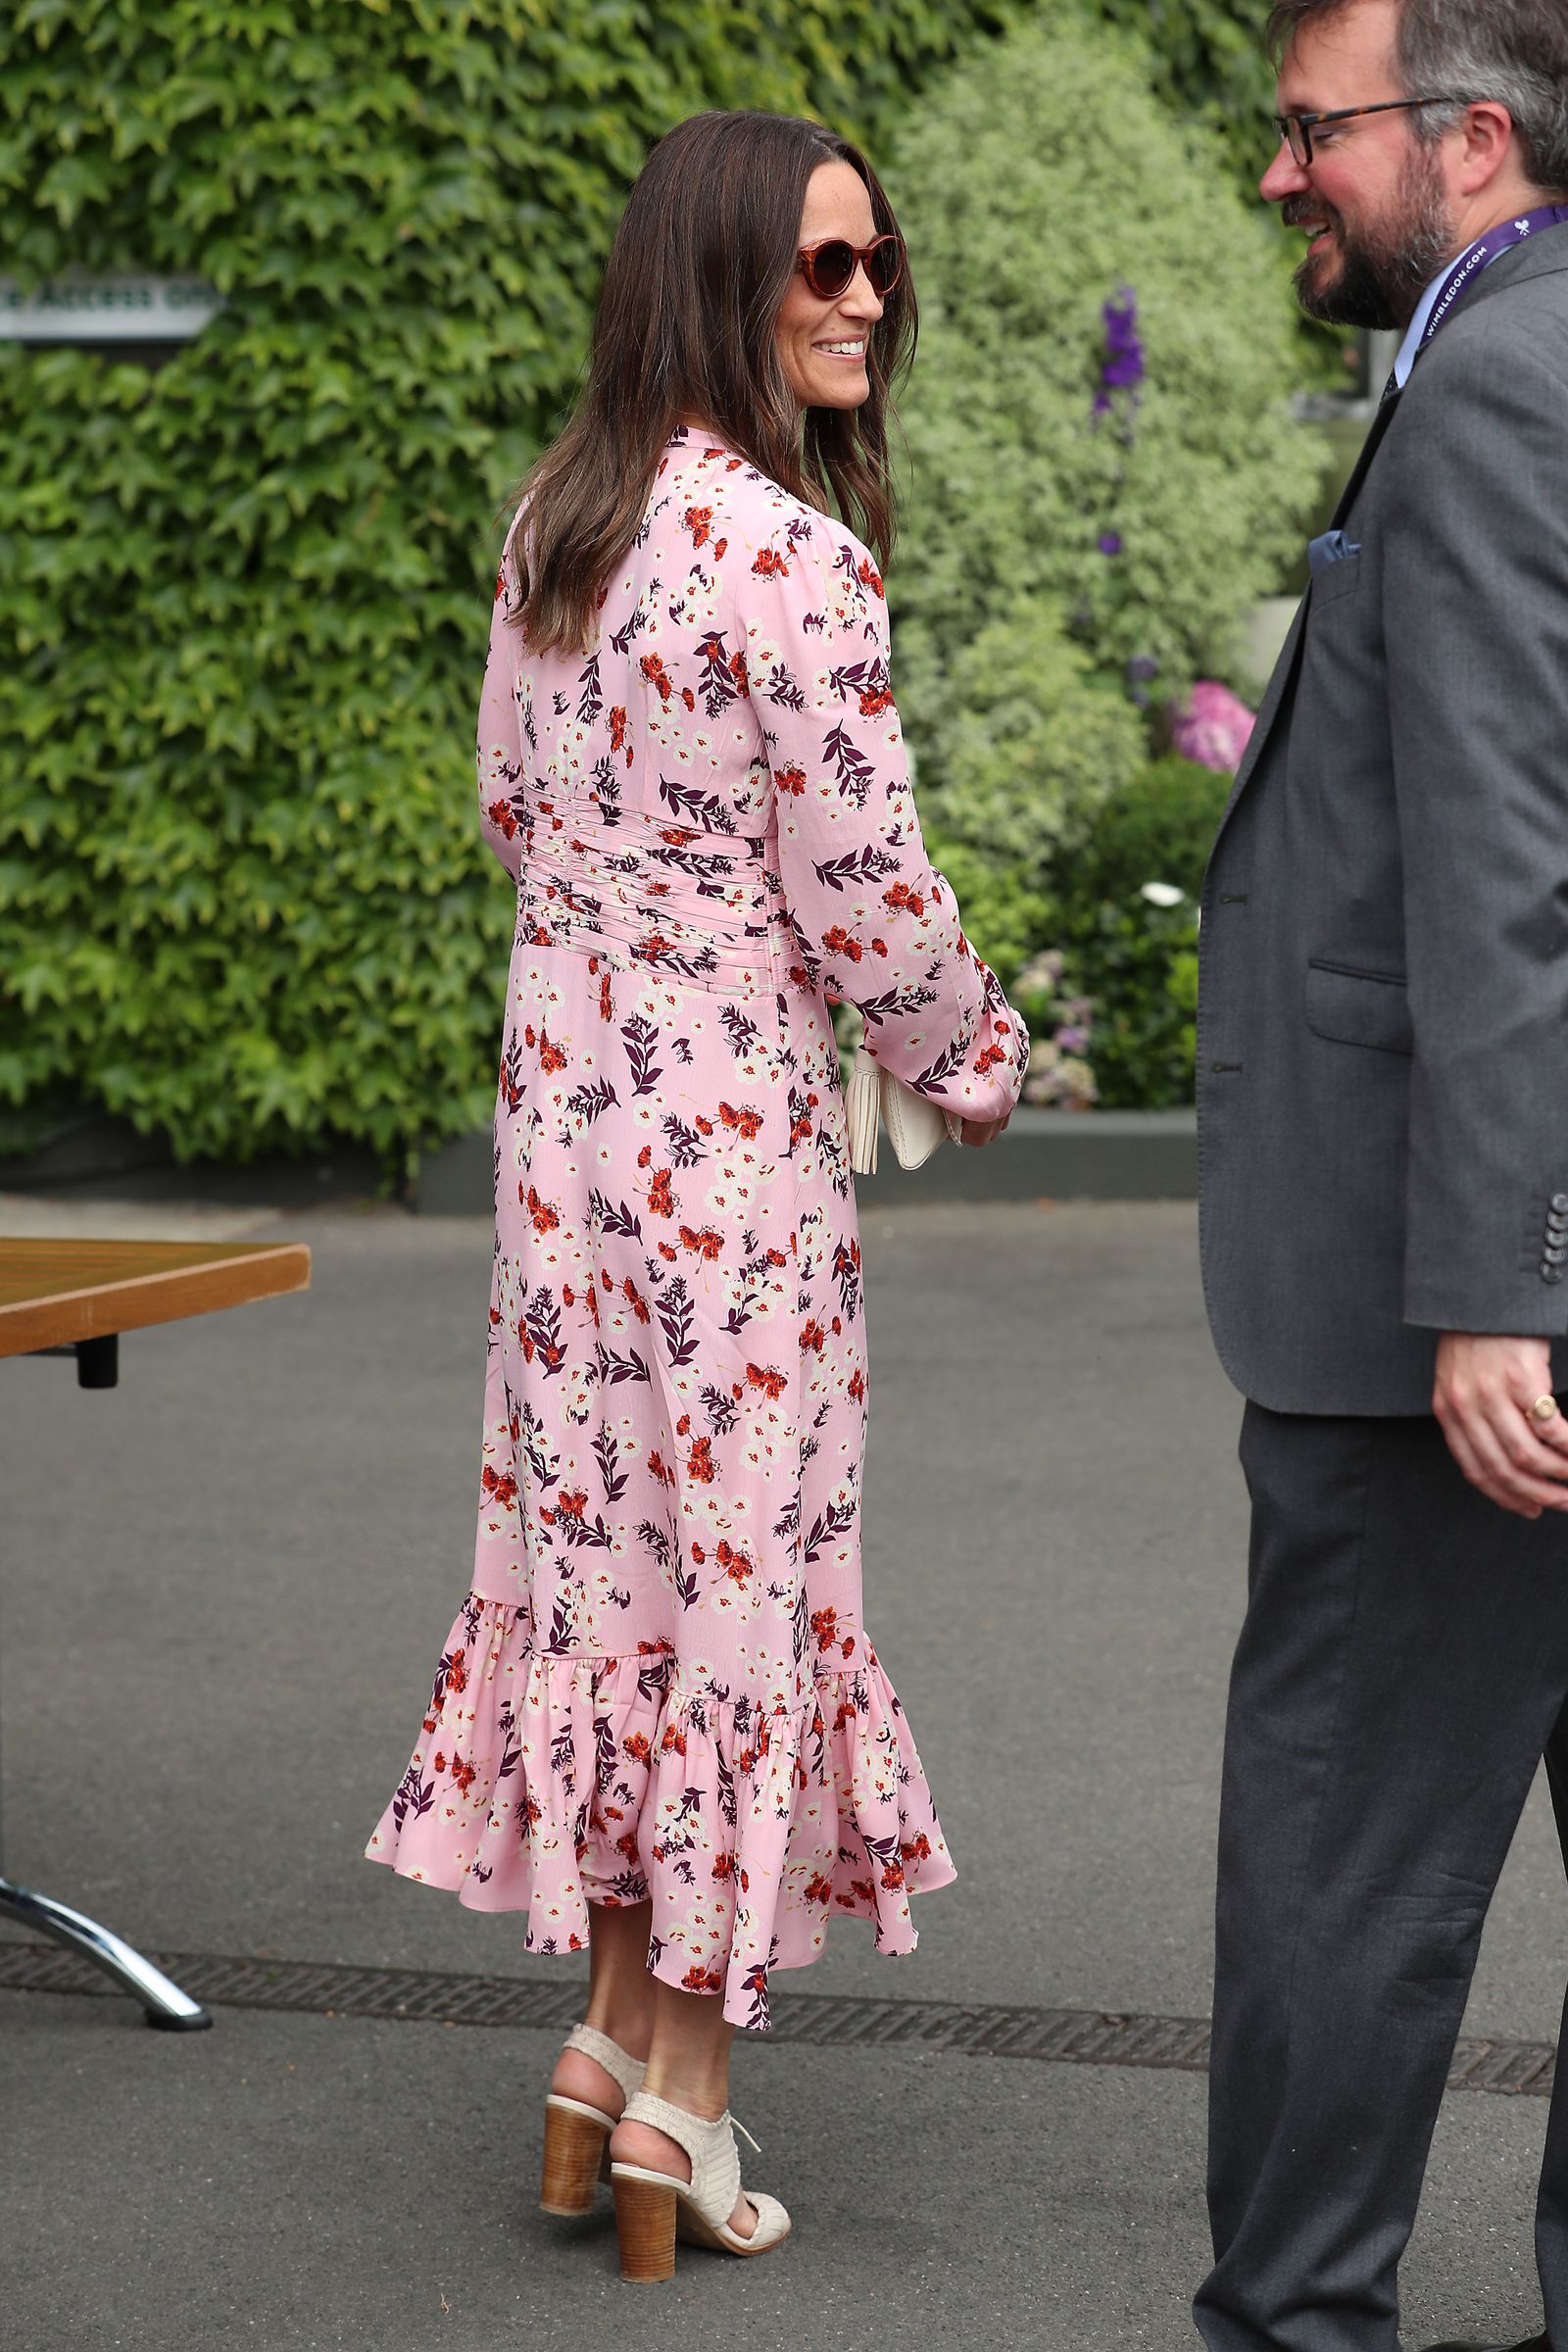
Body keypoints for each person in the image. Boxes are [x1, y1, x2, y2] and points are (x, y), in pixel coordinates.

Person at [365, 108, 1026, 2283]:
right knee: (736, 1600)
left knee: (609, 1581)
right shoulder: (792, 563)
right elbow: (866, 896)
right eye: (818, 268)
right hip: (730, 1161)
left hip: (561, 1156)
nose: (859, 301)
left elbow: (495, 802)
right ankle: (688, 2107)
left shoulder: (560, 521)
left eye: (872, 266)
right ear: (717, 275)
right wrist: (969, 1052)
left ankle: (601, 2044)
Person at [1193, 0, 1568, 2346]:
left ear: (1469, 133)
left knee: (1341, 1869)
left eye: (1302, 129)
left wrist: (1497, 1280)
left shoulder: (1499, 390)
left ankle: (1290, 2333)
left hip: (1457, 1335)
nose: (1273, 175)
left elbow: (1503, 874)